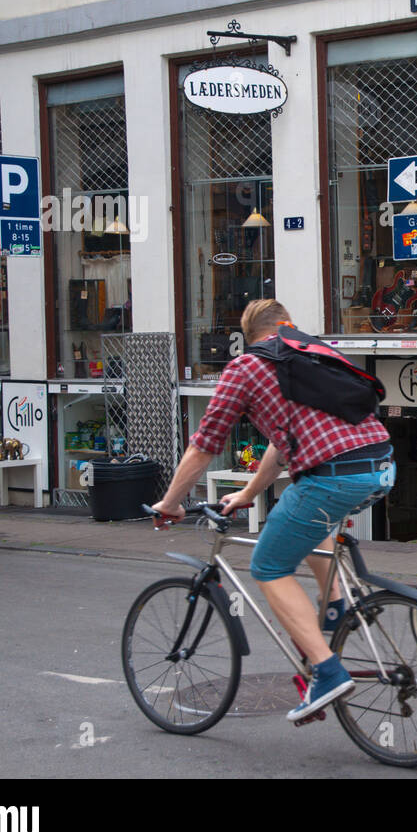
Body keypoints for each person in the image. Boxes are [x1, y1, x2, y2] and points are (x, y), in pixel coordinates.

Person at [150, 299, 394, 722]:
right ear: (287, 326)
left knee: (267, 565)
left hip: (333, 476)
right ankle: (334, 607)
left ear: (250, 335)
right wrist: (248, 493)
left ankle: (327, 671)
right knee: (303, 514)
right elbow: (283, 446)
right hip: (381, 468)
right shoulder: (315, 354)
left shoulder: (246, 367)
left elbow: (204, 445)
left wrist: (170, 504)